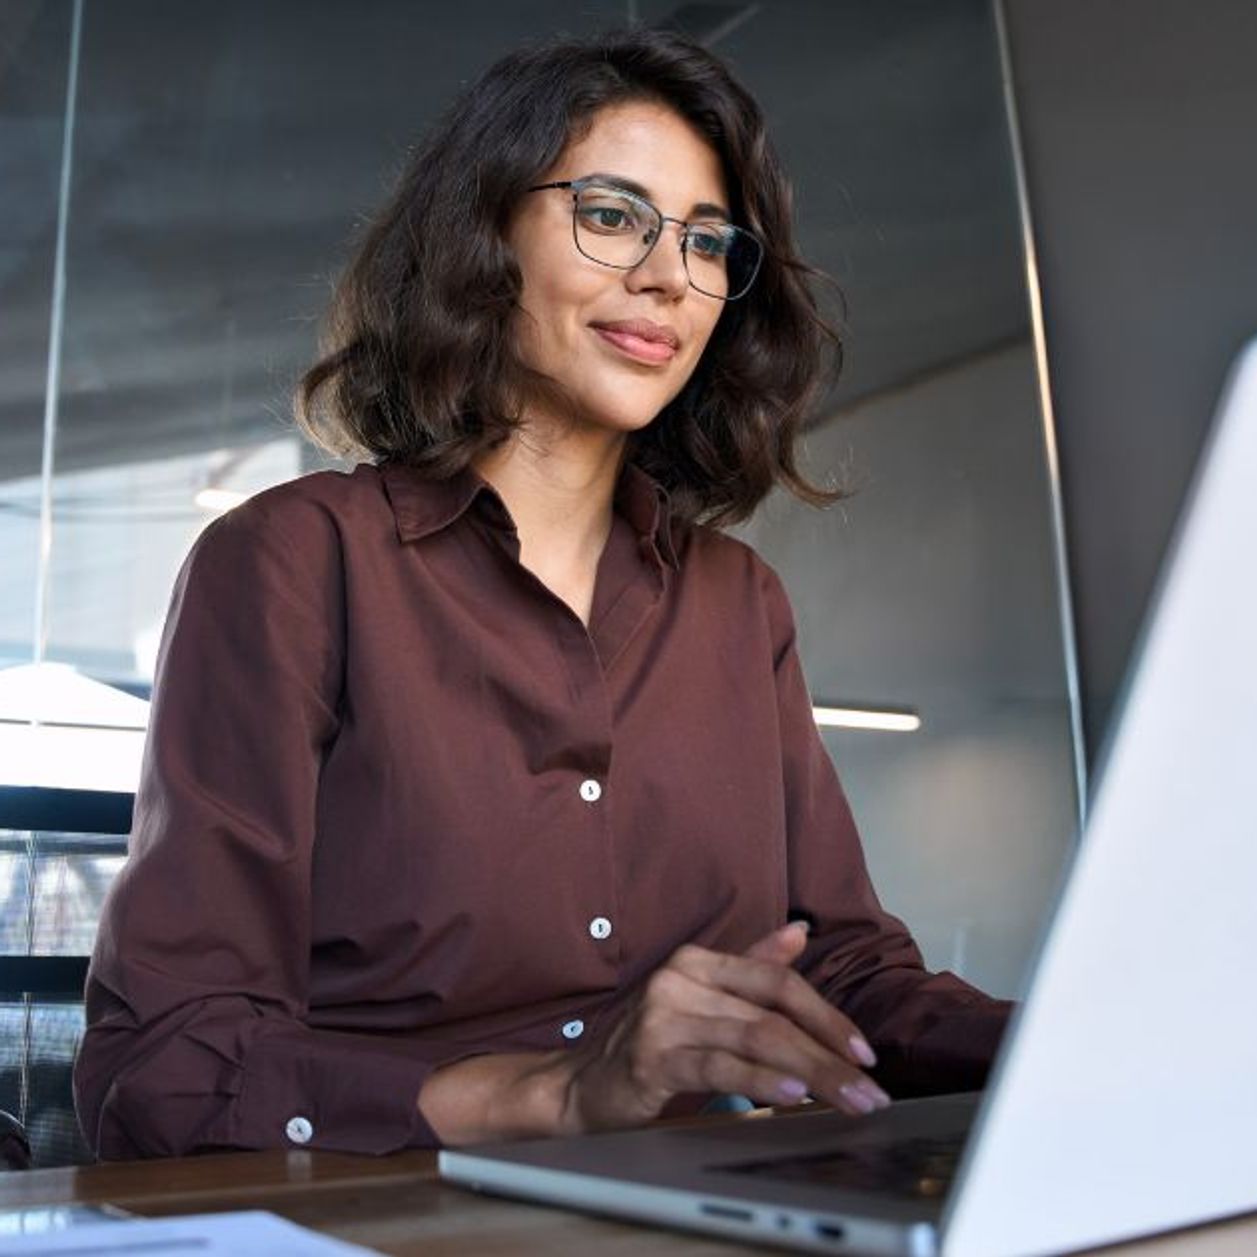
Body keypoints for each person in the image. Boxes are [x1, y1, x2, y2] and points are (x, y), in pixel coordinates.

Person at [74, 27, 1010, 1159]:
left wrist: (1088, 1039)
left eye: (709, 242)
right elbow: (163, 1064)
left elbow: (845, 974)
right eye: (612, 216)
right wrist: (553, 1095)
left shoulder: (739, 602)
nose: (669, 276)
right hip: (393, 1213)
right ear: (484, 236)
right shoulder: (292, 564)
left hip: (705, 1204)